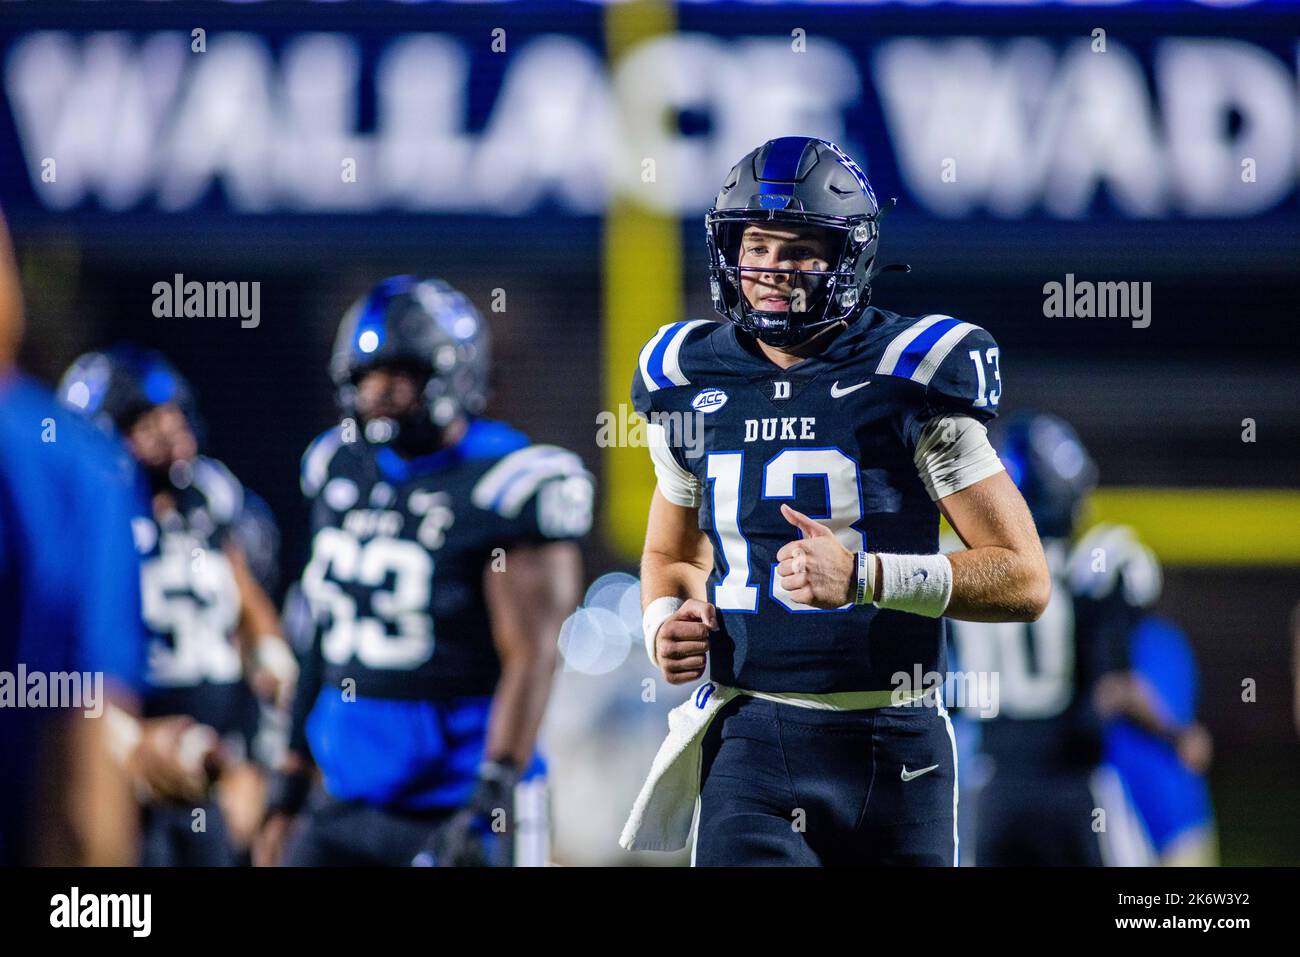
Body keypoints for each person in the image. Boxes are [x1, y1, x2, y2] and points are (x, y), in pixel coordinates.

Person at [622, 136, 1050, 866]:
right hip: (751, 738)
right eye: (757, 244)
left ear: (847, 257)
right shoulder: (683, 376)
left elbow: (1023, 577)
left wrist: (865, 576)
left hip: (896, 744)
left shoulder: (910, 371)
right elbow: (672, 552)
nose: (773, 270)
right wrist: (667, 617)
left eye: (800, 249)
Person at [258, 276, 591, 867]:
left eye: (399, 375)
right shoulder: (339, 468)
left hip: (458, 798)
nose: (378, 392)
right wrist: (290, 772)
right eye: (365, 377)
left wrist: (494, 791)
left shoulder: (506, 483)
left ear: (452, 374)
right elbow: (319, 629)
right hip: (346, 795)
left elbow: (532, 654)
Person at [58, 346, 295, 866]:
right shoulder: (80, 518)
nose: (170, 431)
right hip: (119, 754)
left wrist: (263, 754)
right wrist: (126, 742)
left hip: (208, 760)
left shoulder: (208, 500)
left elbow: (251, 615)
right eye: (146, 420)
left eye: (173, 414)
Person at [949, 412, 1156, 865]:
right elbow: (1112, 685)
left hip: (988, 785)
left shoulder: (958, 568)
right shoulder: (1098, 564)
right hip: (1074, 784)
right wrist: (1177, 736)